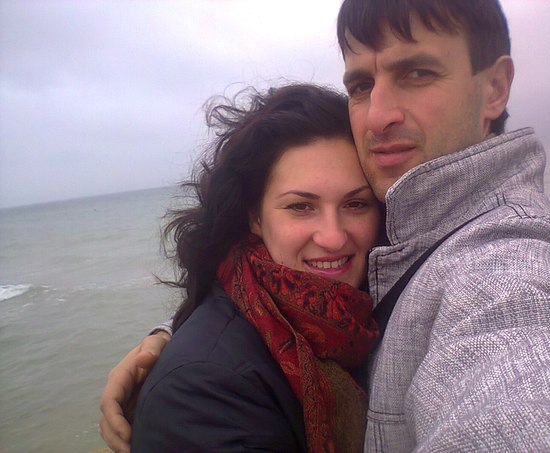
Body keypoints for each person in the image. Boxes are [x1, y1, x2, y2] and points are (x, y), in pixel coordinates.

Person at [101, 1, 550, 452]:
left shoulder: (508, 264)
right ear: (255, 216)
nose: (377, 116)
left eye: (417, 72)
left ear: (494, 88)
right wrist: (171, 338)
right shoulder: (398, 229)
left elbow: (519, 372)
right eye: (361, 85)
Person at [129, 83, 381, 452]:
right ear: (255, 217)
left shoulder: (365, 311)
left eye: (356, 204)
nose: (333, 237)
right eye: (300, 206)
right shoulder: (203, 390)